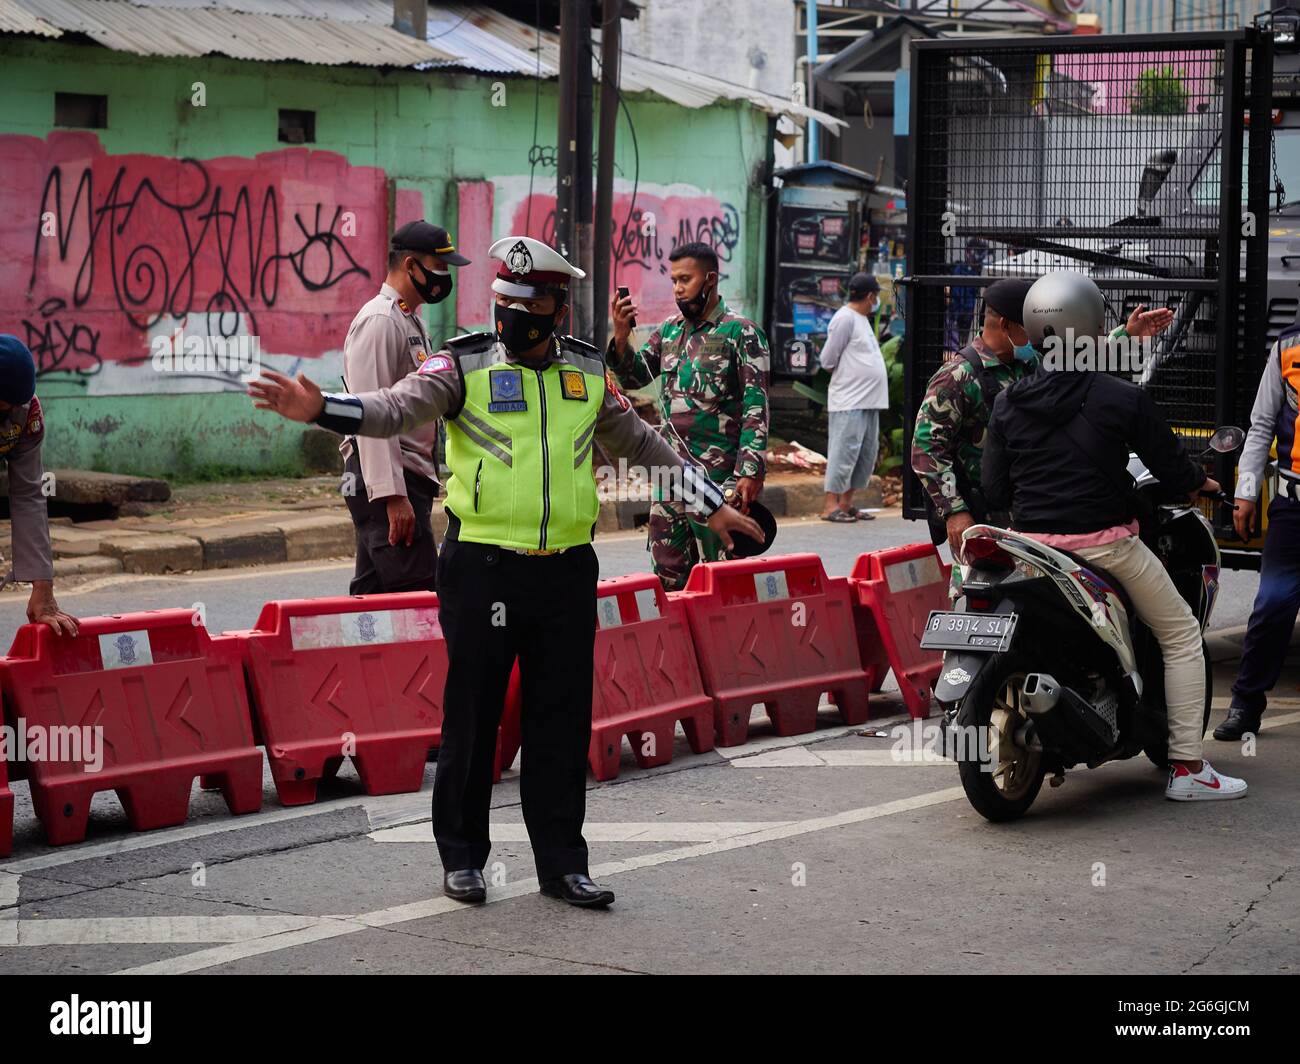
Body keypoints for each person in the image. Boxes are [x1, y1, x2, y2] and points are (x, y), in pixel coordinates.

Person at [250, 236, 762, 909]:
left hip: (565, 572)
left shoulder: (583, 370)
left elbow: (640, 441)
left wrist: (713, 507)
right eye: (503, 303)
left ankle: (562, 865)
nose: (511, 318)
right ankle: (462, 857)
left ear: (554, 310)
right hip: (484, 569)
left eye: (527, 305)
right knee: (473, 716)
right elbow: (393, 408)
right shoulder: (459, 366)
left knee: (560, 721)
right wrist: (322, 410)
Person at [982, 270, 1245, 802]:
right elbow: (1172, 471)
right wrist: (1204, 482)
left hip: (1032, 549)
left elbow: (993, 486)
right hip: (1104, 546)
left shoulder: (1010, 402)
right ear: (1091, 328)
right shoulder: (1121, 398)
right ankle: (1189, 768)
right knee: (1180, 636)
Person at [608, 242, 769, 591]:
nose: (678, 288)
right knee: (666, 579)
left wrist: (749, 470)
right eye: (674, 280)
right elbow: (636, 377)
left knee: (720, 579)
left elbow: (757, 406)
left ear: (710, 279)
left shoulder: (741, 333)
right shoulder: (669, 331)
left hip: (721, 479)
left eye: (686, 279)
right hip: (670, 476)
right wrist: (620, 338)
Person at [340, 220, 469, 594]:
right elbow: (368, 414)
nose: (444, 277)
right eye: (439, 266)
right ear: (411, 265)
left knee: (375, 598)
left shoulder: (408, 319)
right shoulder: (381, 321)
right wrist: (392, 495)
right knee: (422, 595)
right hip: (385, 481)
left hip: (405, 477)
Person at [911, 277, 1039, 596]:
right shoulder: (958, 376)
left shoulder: (1028, 364)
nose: (1035, 334)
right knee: (975, 598)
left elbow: (1076, 362)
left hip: (1026, 510)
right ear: (1006, 324)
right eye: (1030, 325)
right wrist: (955, 510)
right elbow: (926, 449)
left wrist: (1127, 336)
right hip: (981, 516)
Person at [1217, 302, 1300, 741]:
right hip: (1292, 505)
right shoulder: (1287, 346)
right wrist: (1246, 492)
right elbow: (1263, 422)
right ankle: (1246, 706)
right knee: (1272, 604)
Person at [0, 335, 78, 636]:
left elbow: (30, 494)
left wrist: (43, 587)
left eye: (12, 406)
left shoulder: (26, 415)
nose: (10, 412)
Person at [818, 272, 888, 524]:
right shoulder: (845, 318)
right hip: (849, 400)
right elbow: (827, 360)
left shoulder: (861, 318)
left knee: (864, 455)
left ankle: (846, 504)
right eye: (876, 296)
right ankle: (829, 506)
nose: (876, 300)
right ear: (870, 296)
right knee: (843, 453)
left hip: (869, 400)